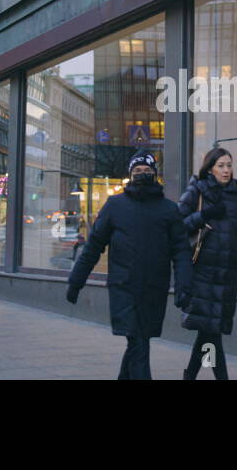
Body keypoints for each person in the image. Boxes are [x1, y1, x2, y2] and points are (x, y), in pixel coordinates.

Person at [66, 152, 193, 380]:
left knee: (139, 341)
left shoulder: (168, 209)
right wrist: (76, 281)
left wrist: (184, 285)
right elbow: (93, 246)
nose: (142, 176)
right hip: (123, 287)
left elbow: (181, 251)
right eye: (137, 172)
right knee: (138, 340)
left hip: (154, 288)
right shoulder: (115, 206)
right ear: (129, 175)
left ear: (155, 174)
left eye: (147, 172)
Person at [177, 147, 237, 380]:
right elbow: (177, 226)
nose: (226, 170)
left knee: (209, 331)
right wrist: (205, 215)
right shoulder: (197, 190)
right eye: (221, 166)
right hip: (203, 272)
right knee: (211, 331)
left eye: (229, 165)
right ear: (210, 168)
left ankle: (190, 375)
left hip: (226, 274)